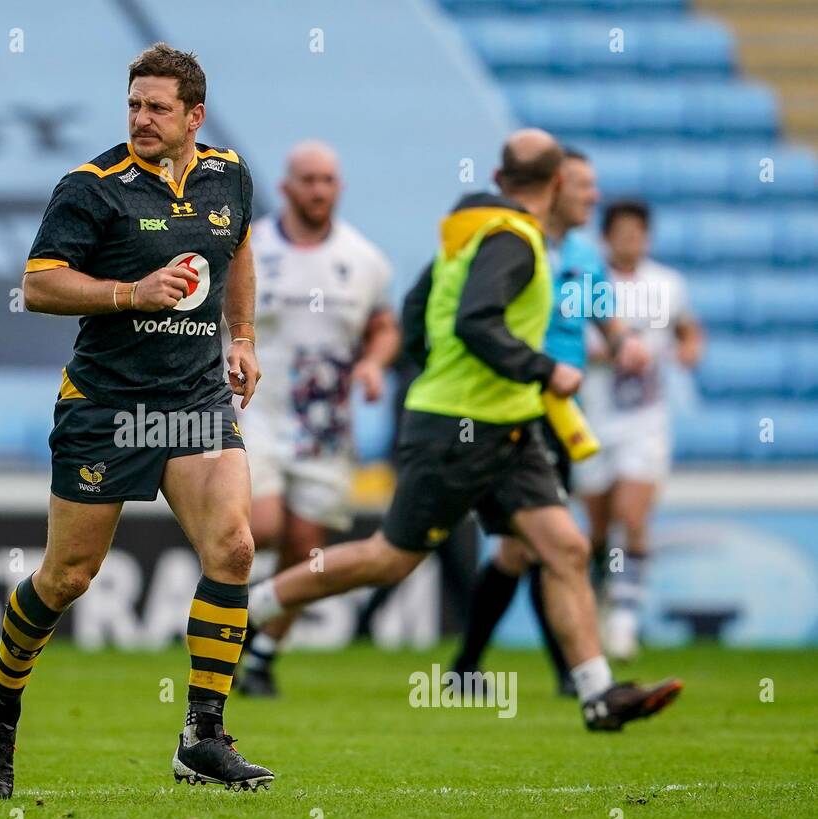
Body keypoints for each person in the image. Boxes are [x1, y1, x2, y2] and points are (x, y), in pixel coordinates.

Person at [246, 129, 683, 732]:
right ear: (556, 185)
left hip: (507, 424)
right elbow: (479, 321)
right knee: (387, 560)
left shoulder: (468, 234)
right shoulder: (514, 241)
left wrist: (435, 371)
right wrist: (542, 368)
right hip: (459, 426)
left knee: (566, 547)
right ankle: (249, 607)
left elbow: (415, 311)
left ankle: (598, 693)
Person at [0, 44, 273, 798]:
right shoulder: (90, 189)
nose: (140, 118)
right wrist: (127, 295)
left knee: (233, 548)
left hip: (194, 402)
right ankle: (0, 708)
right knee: (68, 575)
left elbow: (236, 254)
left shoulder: (229, 175)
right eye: (134, 104)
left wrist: (243, 337)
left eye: (157, 107)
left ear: (193, 116)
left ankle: (202, 735)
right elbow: (40, 287)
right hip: (107, 404)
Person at [449, 148, 647, 695]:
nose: (593, 196)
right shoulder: (515, 240)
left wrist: (625, 343)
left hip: (563, 414)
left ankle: (467, 668)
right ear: (556, 187)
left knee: (523, 546)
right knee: (542, 540)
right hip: (515, 405)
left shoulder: (583, 251)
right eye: (583, 185)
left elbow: (603, 316)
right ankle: (572, 671)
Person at [235, 140, 398, 697]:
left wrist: (374, 365)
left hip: (326, 423)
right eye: (307, 179)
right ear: (285, 187)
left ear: (339, 187)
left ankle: (259, 653)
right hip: (256, 409)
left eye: (327, 180)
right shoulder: (250, 247)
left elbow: (383, 324)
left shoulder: (365, 259)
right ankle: (230, 619)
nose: (318, 189)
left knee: (308, 551)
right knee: (261, 528)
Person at [577, 199, 704, 661]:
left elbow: (689, 331)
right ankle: (599, 602)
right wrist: (614, 353)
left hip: (645, 421)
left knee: (632, 517)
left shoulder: (667, 284)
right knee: (595, 531)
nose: (631, 239)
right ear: (607, 235)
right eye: (622, 231)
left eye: (639, 231)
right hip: (592, 419)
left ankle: (625, 620)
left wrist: (689, 351)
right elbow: (569, 346)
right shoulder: (588, 282)